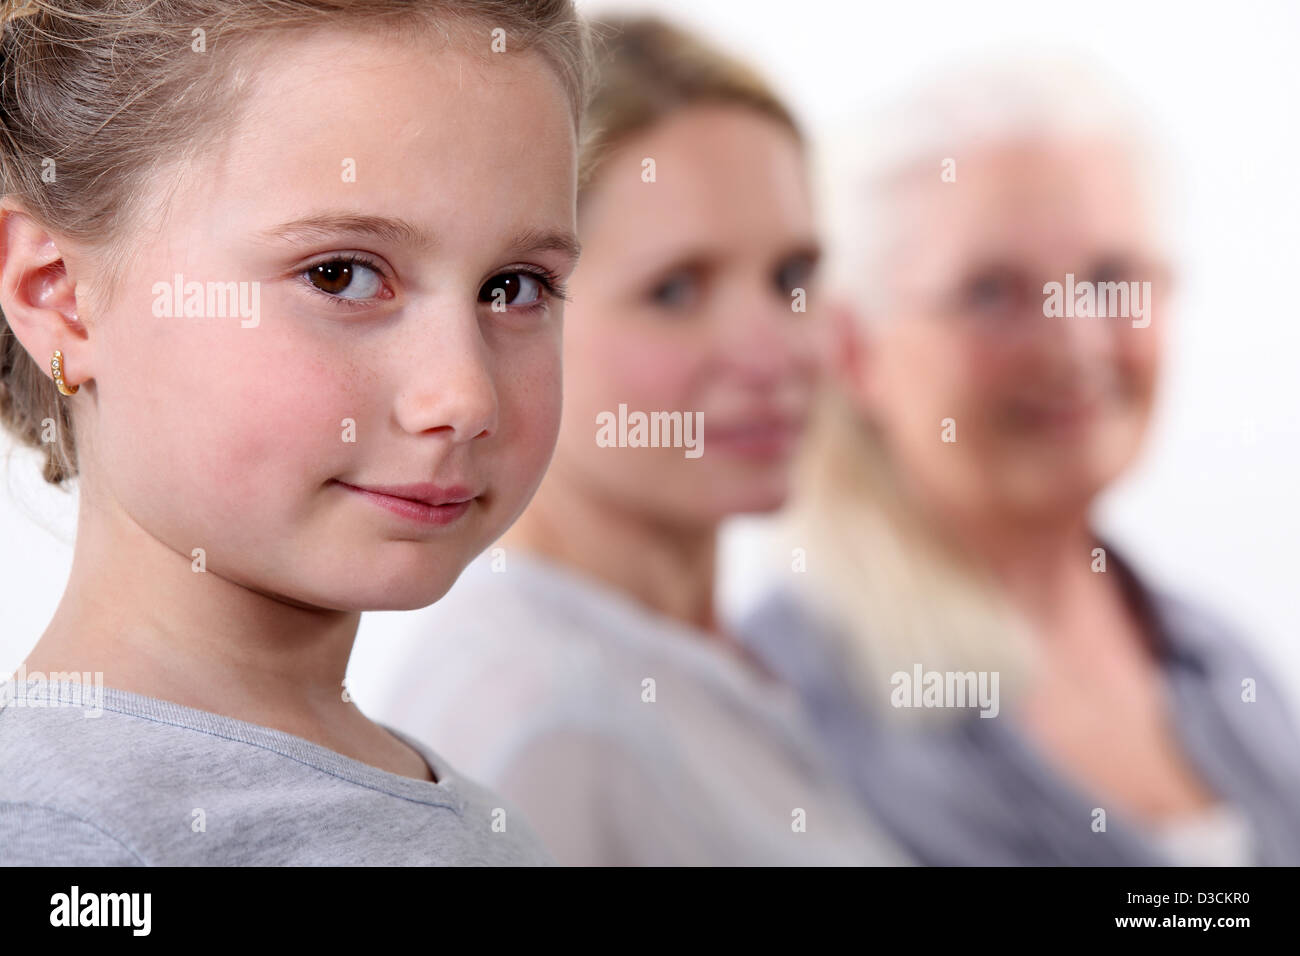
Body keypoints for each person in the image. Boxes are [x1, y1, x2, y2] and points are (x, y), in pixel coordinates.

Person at [0, 0, 593, 866]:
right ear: (61, 294)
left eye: (512, 286)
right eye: (341, 273)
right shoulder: (59, 837)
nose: (463, 397)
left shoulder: (482, 820)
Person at [347, 15, 907, 866]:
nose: (776, 352)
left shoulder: (753, 660)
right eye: (675, 289)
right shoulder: (537, 717)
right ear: (522, 304)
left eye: (792, 278)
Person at [739, 58, 1300, 865]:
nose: (1075, 344)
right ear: (854, 350)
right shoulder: (786, 705)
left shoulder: (1218, 659)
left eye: (1111, 279)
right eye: (993, 293)